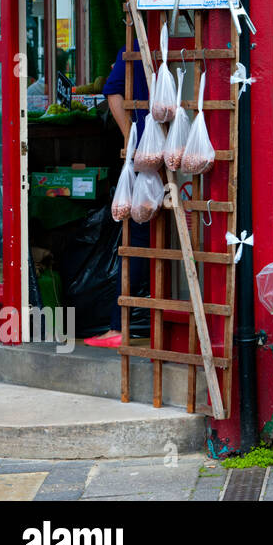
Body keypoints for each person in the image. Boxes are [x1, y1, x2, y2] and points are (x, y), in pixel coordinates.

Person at [84, 46, 150, 348]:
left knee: (139, 240)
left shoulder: (134, 45)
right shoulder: (179, 37)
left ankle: (117, 326)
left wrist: (130, 137)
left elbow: (112, 91)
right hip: (182, 154)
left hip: (145, 155)